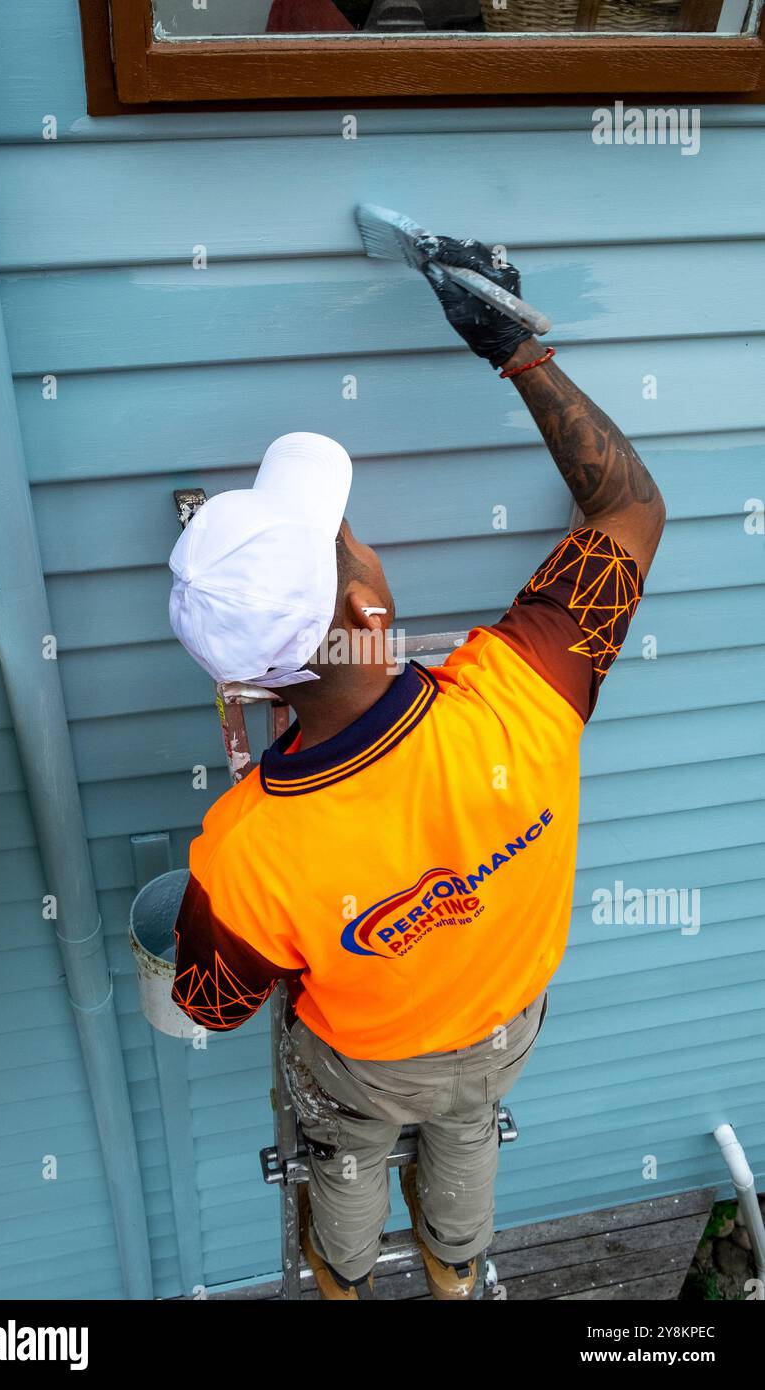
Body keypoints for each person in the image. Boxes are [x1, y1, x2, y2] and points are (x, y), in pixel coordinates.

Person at [166, 237, 666, 1300]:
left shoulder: (249, 849)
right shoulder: (526, 689)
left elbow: (212, 1005)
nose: (362, 542)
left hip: (364, 1064)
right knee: (467, 1133)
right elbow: (629, 510)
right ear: (367, 609)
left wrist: (235, 927)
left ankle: (344, 1281)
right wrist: (519, 353)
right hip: (501, 1026)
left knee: (343, 1159)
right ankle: (452, 1272)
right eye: (349, 540)